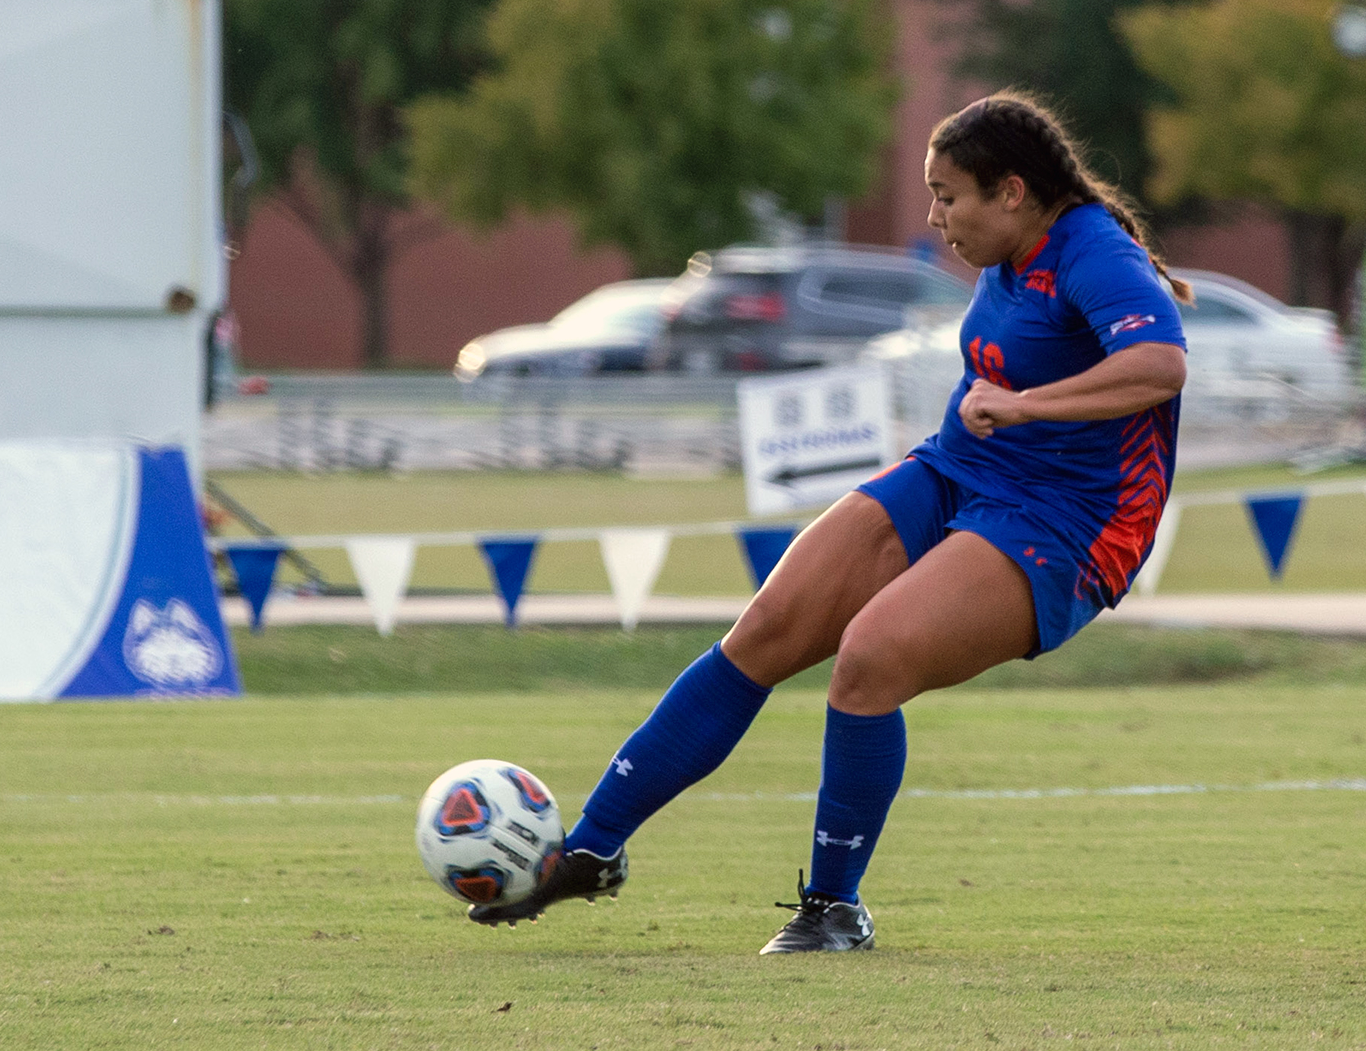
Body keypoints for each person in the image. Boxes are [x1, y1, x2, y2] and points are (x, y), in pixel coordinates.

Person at [467, 92, 1191, 954]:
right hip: (960, 468)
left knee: (870, 657)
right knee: (766, 629)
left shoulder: (1094, 249)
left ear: (1011, 190)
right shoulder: (1010, 255)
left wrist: (1029, 406)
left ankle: (833, 908)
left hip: (1072, 524)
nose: (934, 215)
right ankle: (589, 849)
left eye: (948, 194)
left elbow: (1160, 364)